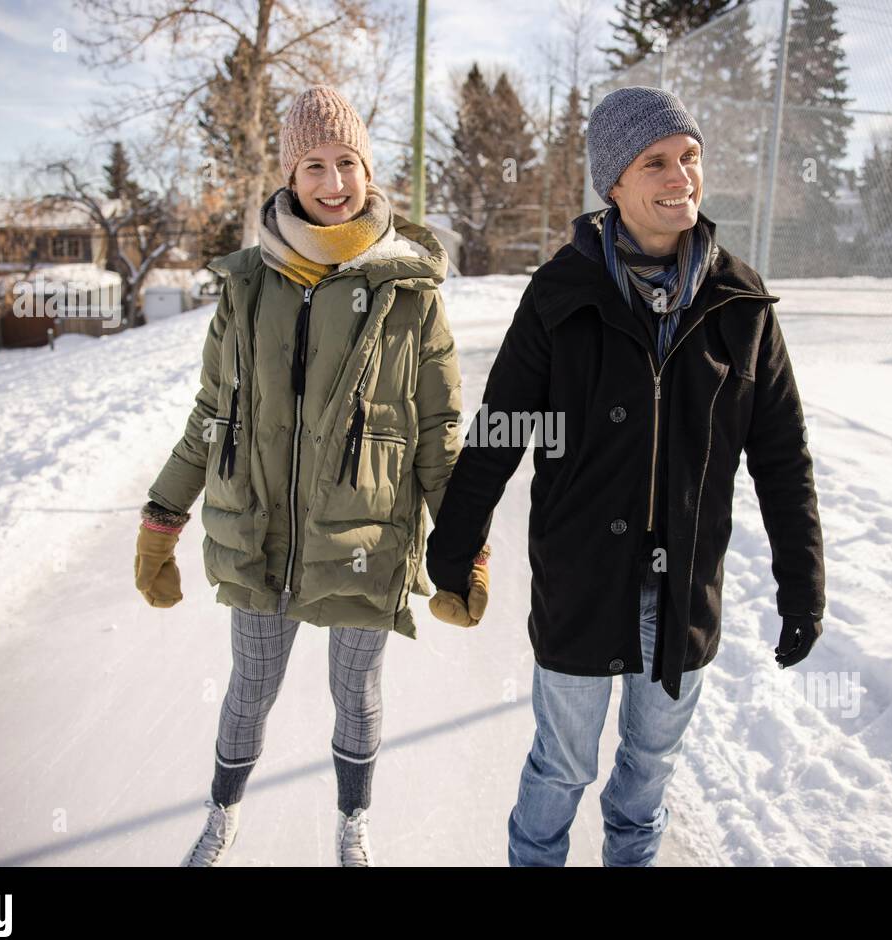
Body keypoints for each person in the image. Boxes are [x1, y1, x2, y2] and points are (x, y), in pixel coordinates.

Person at [425, 86, 826, 866]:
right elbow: (503, 428)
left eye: (690, 157)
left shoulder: (738, 303)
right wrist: (456, 545)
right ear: (613, 183)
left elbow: (782, 458)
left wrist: (802, 583)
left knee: (648, 774)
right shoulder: (561, 294)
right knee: (563, 765)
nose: (681, 175)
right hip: (581, 585)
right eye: (656, 162)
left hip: (683, 594)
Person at [133, 85, 463, 867]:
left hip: (366, 538)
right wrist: (160, 518)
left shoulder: (409, 292)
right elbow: (209, 416)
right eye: (313, 163)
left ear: (367, 168)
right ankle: (222, 811)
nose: (333, 180)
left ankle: (352, 821)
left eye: (346, 160)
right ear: (290, 175)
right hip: (259, 533)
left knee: (356, 693)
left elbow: (440, 437)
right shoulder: (245, 286)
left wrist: (465, 545)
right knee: (250, 688)